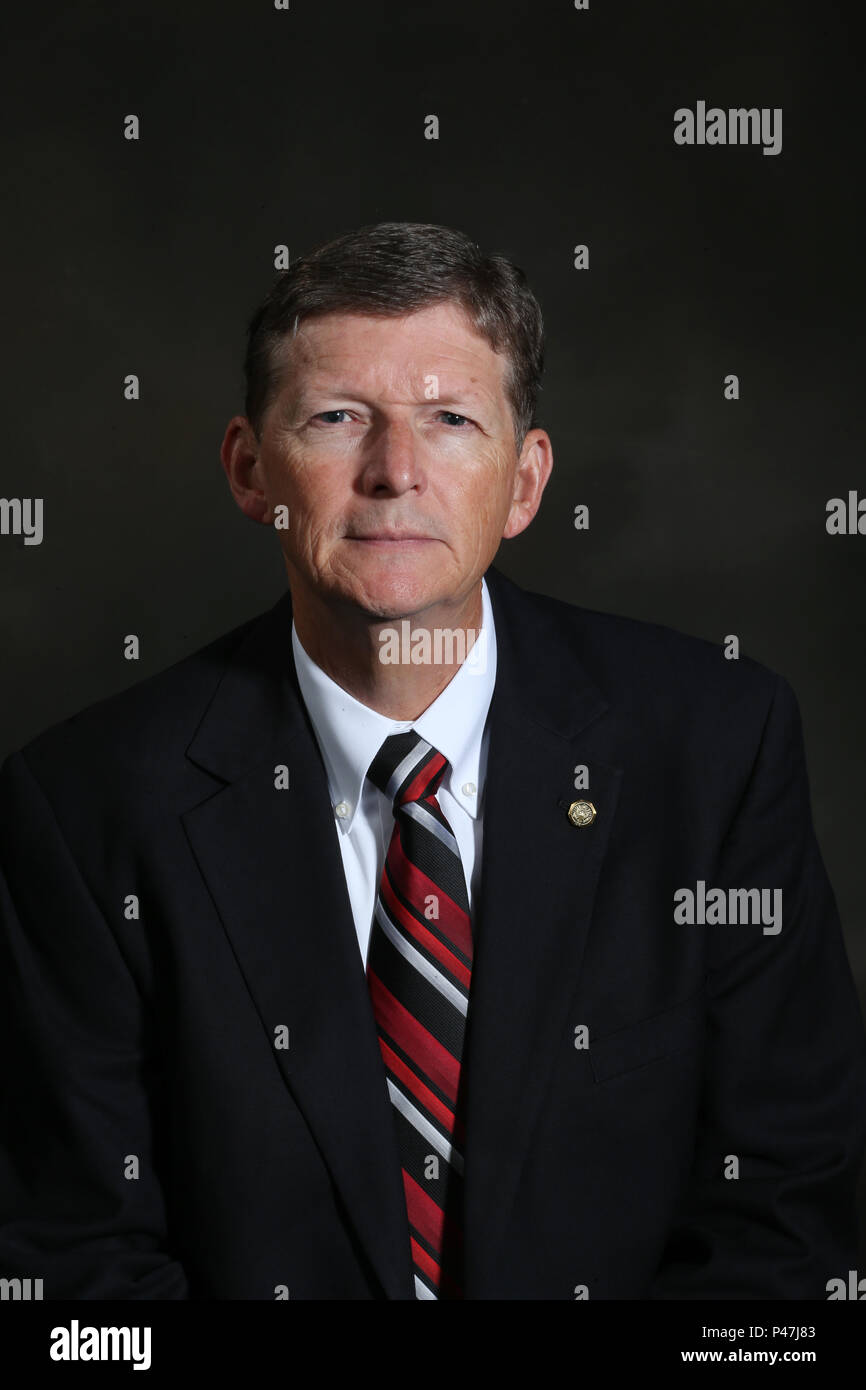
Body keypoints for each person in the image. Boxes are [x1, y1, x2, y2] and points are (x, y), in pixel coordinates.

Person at [1, 221, 864, 1301]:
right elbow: (76, 1269)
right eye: (336, 418)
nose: (393, 472)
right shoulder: (84, 806)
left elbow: (783, 1221)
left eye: (449, 420)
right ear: (248, 467)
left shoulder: (714, 750)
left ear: (523, 481)